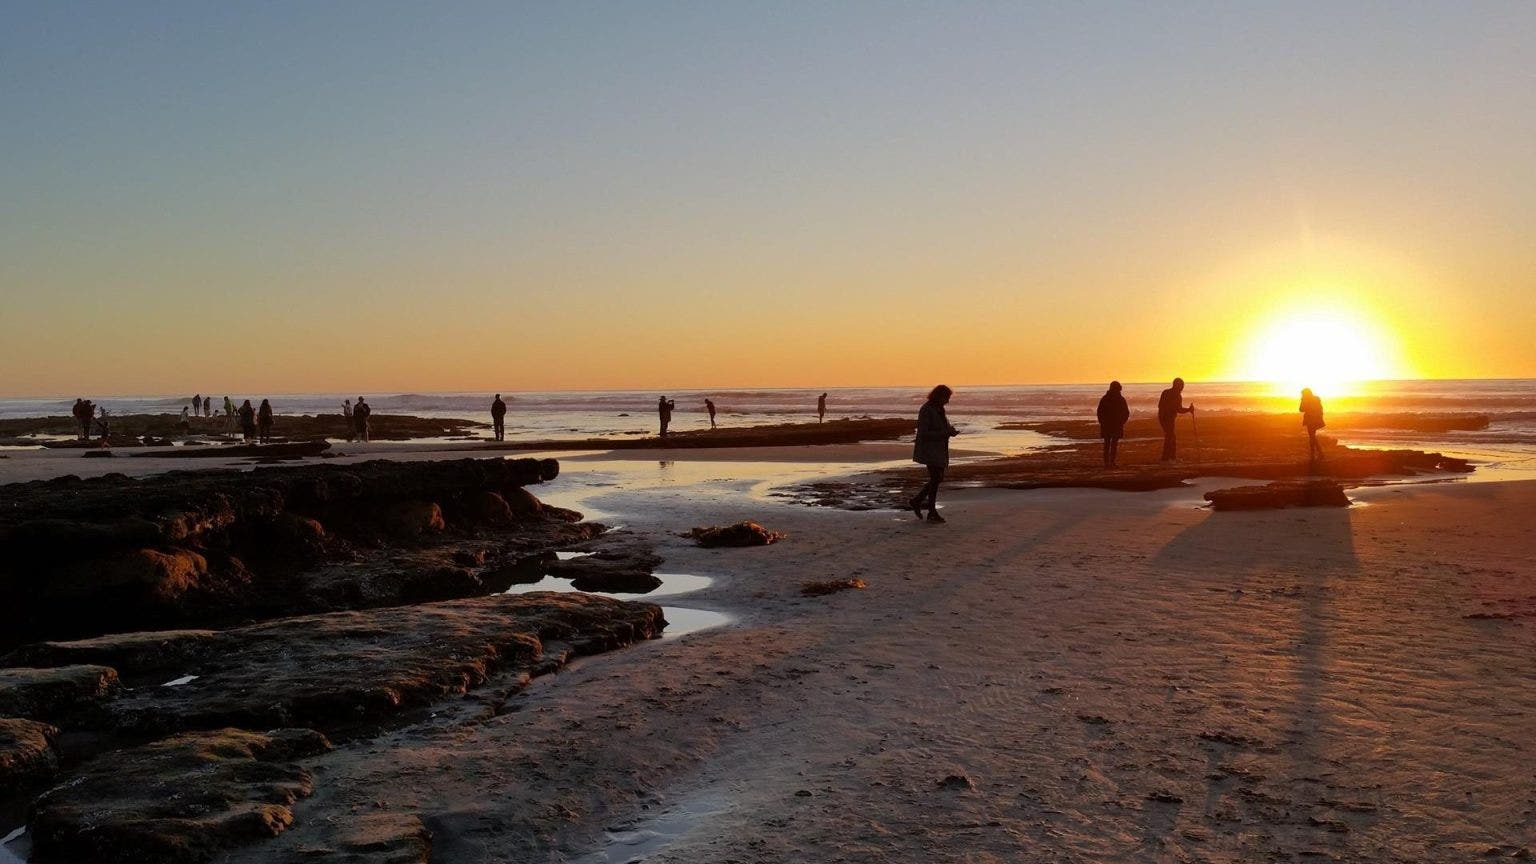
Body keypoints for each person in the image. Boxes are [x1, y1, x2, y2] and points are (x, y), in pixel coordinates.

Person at [909, 385, 959, 523]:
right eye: (946, 398)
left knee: (937, 479)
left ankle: (918, 501)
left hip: (938, 449)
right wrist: (945, 433)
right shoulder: (926, 410)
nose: (947, 401)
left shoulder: (939, 409)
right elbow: (924, 433)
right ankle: (930, 510)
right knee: (936, 478)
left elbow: (942, 427)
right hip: (929, 450)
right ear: (939, 396)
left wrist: (950, 430)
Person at [1157, 378, 1194, 461]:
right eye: (1181, 386)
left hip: (1168, 418)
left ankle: (1170, 456)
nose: (1182, 388)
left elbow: (1178, 409)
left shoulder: (1170, 394)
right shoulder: (1170, 394)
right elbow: (1177, 409)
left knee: (1171, 436)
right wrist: (1188, 410)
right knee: (1170, 436)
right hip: (1165, 418)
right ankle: (1167, 457)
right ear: (1177, 386)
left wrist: (1188, 409)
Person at [1096, 381, 1130, 469]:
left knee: (1108, 444)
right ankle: (1110, 462)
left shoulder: (1106, 398)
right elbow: (1126, 412)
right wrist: (1122, 422)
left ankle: (1108, 462)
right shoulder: (1119, 399)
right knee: (1112, 444)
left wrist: (1102, 422)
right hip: (1113, 425)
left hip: (1110, 425)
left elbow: (1100, 412)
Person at [1300, 387, 1326, 462]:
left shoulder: (1306, 400)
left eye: (1302, 394)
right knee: (1312, 436)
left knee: (1312, 437)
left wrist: (1302, 400)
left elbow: (1301, 409)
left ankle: (1314, 455)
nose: (1302, 395)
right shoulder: (1316, 399)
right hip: (1316, 419)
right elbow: (1320, 409)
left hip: (1311, 420)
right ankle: (1319, 453)